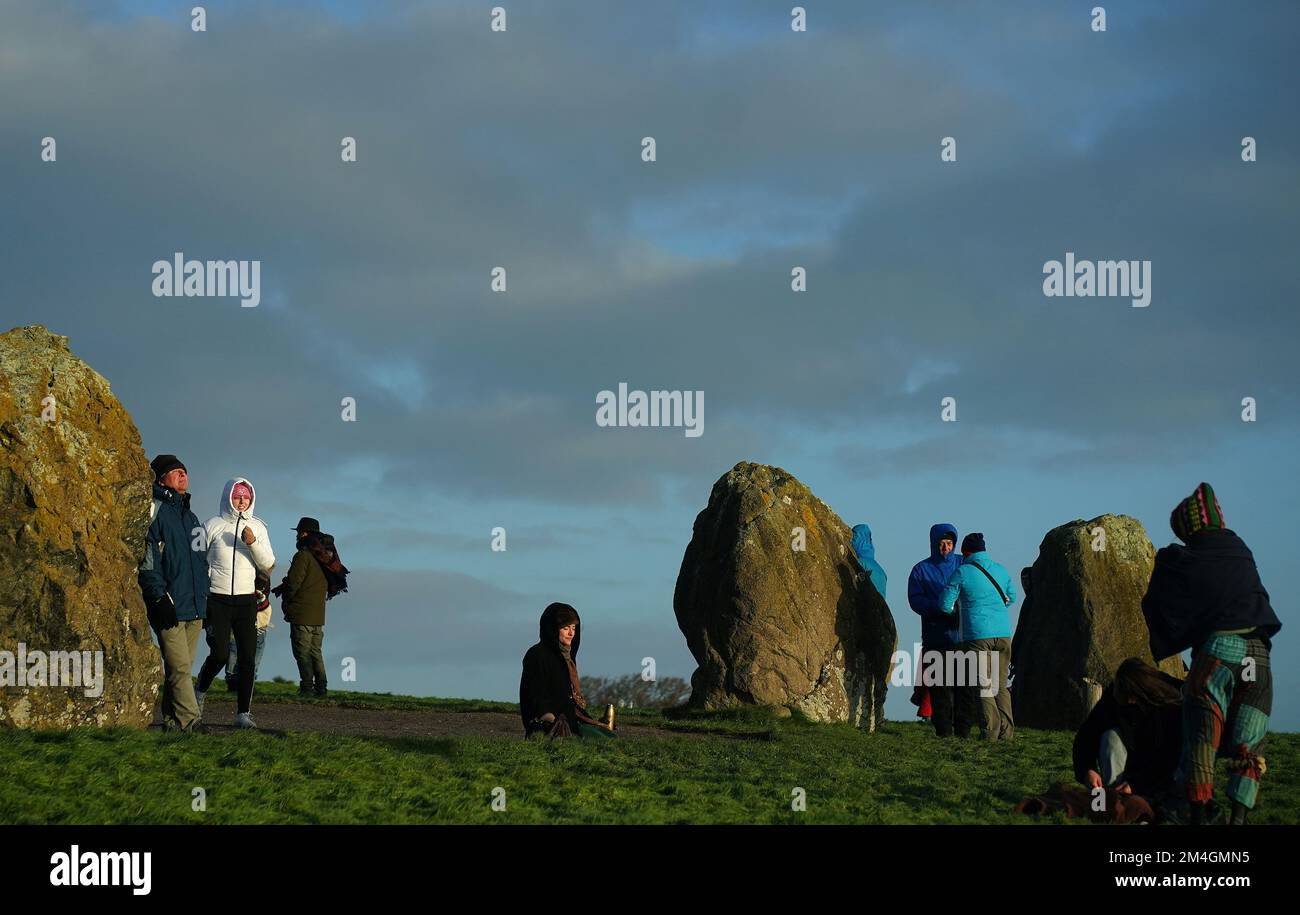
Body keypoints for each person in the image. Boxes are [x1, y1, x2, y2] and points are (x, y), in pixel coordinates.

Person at [1141, 482, 1282, 825]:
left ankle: (1200, 811)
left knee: (1203, 731)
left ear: (1189, 528)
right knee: (1250, 742)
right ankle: (1238, 818)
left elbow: (1165, 595)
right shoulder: (1239, 549)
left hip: (1220, 650)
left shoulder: (1187, 557)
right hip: (1259, 656)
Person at [195, 478, 275, 729]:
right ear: (228, 497)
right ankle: (198, 693)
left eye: (246, 497)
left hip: (245, 601)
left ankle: (243, 713)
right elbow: (197, 561)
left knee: (247, 658)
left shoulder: (259, 527)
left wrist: (252, 542)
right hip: (217, 599)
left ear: (251, 499)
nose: (241, 501)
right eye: (237, 496)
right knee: (218, 655)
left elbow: (268, 564)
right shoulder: (211, 525)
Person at [138, 454, 210, 732]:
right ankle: (191, 722)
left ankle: (171, 722)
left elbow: (201, 563)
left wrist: (206, 602)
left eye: (184, 471)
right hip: (169, 605)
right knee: (180, 668)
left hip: (194, 608)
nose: (182, 475)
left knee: (180, 669)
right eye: (175, 471)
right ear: (160, 479)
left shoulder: (191, 518)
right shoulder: (154, 511)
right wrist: (158, 597)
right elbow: (148, 561)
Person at [939, 532, 1017, 741]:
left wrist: (959, 610)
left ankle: (990, 731)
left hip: (977, 635)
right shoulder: (1000, 569)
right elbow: (1012, 597)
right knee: (1000, 685)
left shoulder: (962, 572)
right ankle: (1007, 732)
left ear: (965, 552)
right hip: (1003, 634)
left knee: (983, 685)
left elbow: (945, 604)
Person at [1073, 658, 1183, 801]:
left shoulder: (1169, 708)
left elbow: (1169, 758)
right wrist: (1088, 769)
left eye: (1120, 691)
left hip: (1159, 774)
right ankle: (1113, 798)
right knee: (1110, 737)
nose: (1115, 694)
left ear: (1135, 694)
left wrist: (1136, 784)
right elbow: (1087, 734)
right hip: (1125, 763)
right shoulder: (1113, 697)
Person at [519, 602, 616, 739]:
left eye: (574, 628)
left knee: (609, 737)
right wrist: (550, 722)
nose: (571, 633)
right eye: (565, 628)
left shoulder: (567, 657)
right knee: (603, 741)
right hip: (551, 729)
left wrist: (594, 722)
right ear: (553, 629)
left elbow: (570, 701)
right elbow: (535, 696)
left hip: (572, 725)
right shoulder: (537, 655)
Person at [275, 524, 349, 698]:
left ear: (305, 533)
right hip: (318, 614)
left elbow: (294, 583)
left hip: (302, 613)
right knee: (315, 652)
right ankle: (321, 688)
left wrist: (287, 601)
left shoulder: (303, 556)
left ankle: (307, 687)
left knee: (302, 653)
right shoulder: (323, 557)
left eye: (299, 532)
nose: (297, 536)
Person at [907, 523, 967, 736]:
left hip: (962, 636)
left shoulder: (963, 564)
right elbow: (915, 601)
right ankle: (943, 732)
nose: (945, 548)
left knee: (963, 688)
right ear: (933, 544)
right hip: (935, 636)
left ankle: (963, 731)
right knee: (939, 689)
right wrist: (939, 607)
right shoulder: (920, 570)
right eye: (941, 544)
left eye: (949, 543)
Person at [223, 572, 272, 695]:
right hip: (257, 614)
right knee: (255, 648)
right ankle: (246, 681)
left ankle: (234, 680)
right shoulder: (263, 566)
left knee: (235, 647)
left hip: (239, 610)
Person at [850, 523, 887, 598]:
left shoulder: (861, 563)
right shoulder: (882, 572)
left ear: (858, 539)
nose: (851, 541)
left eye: (854, 537)